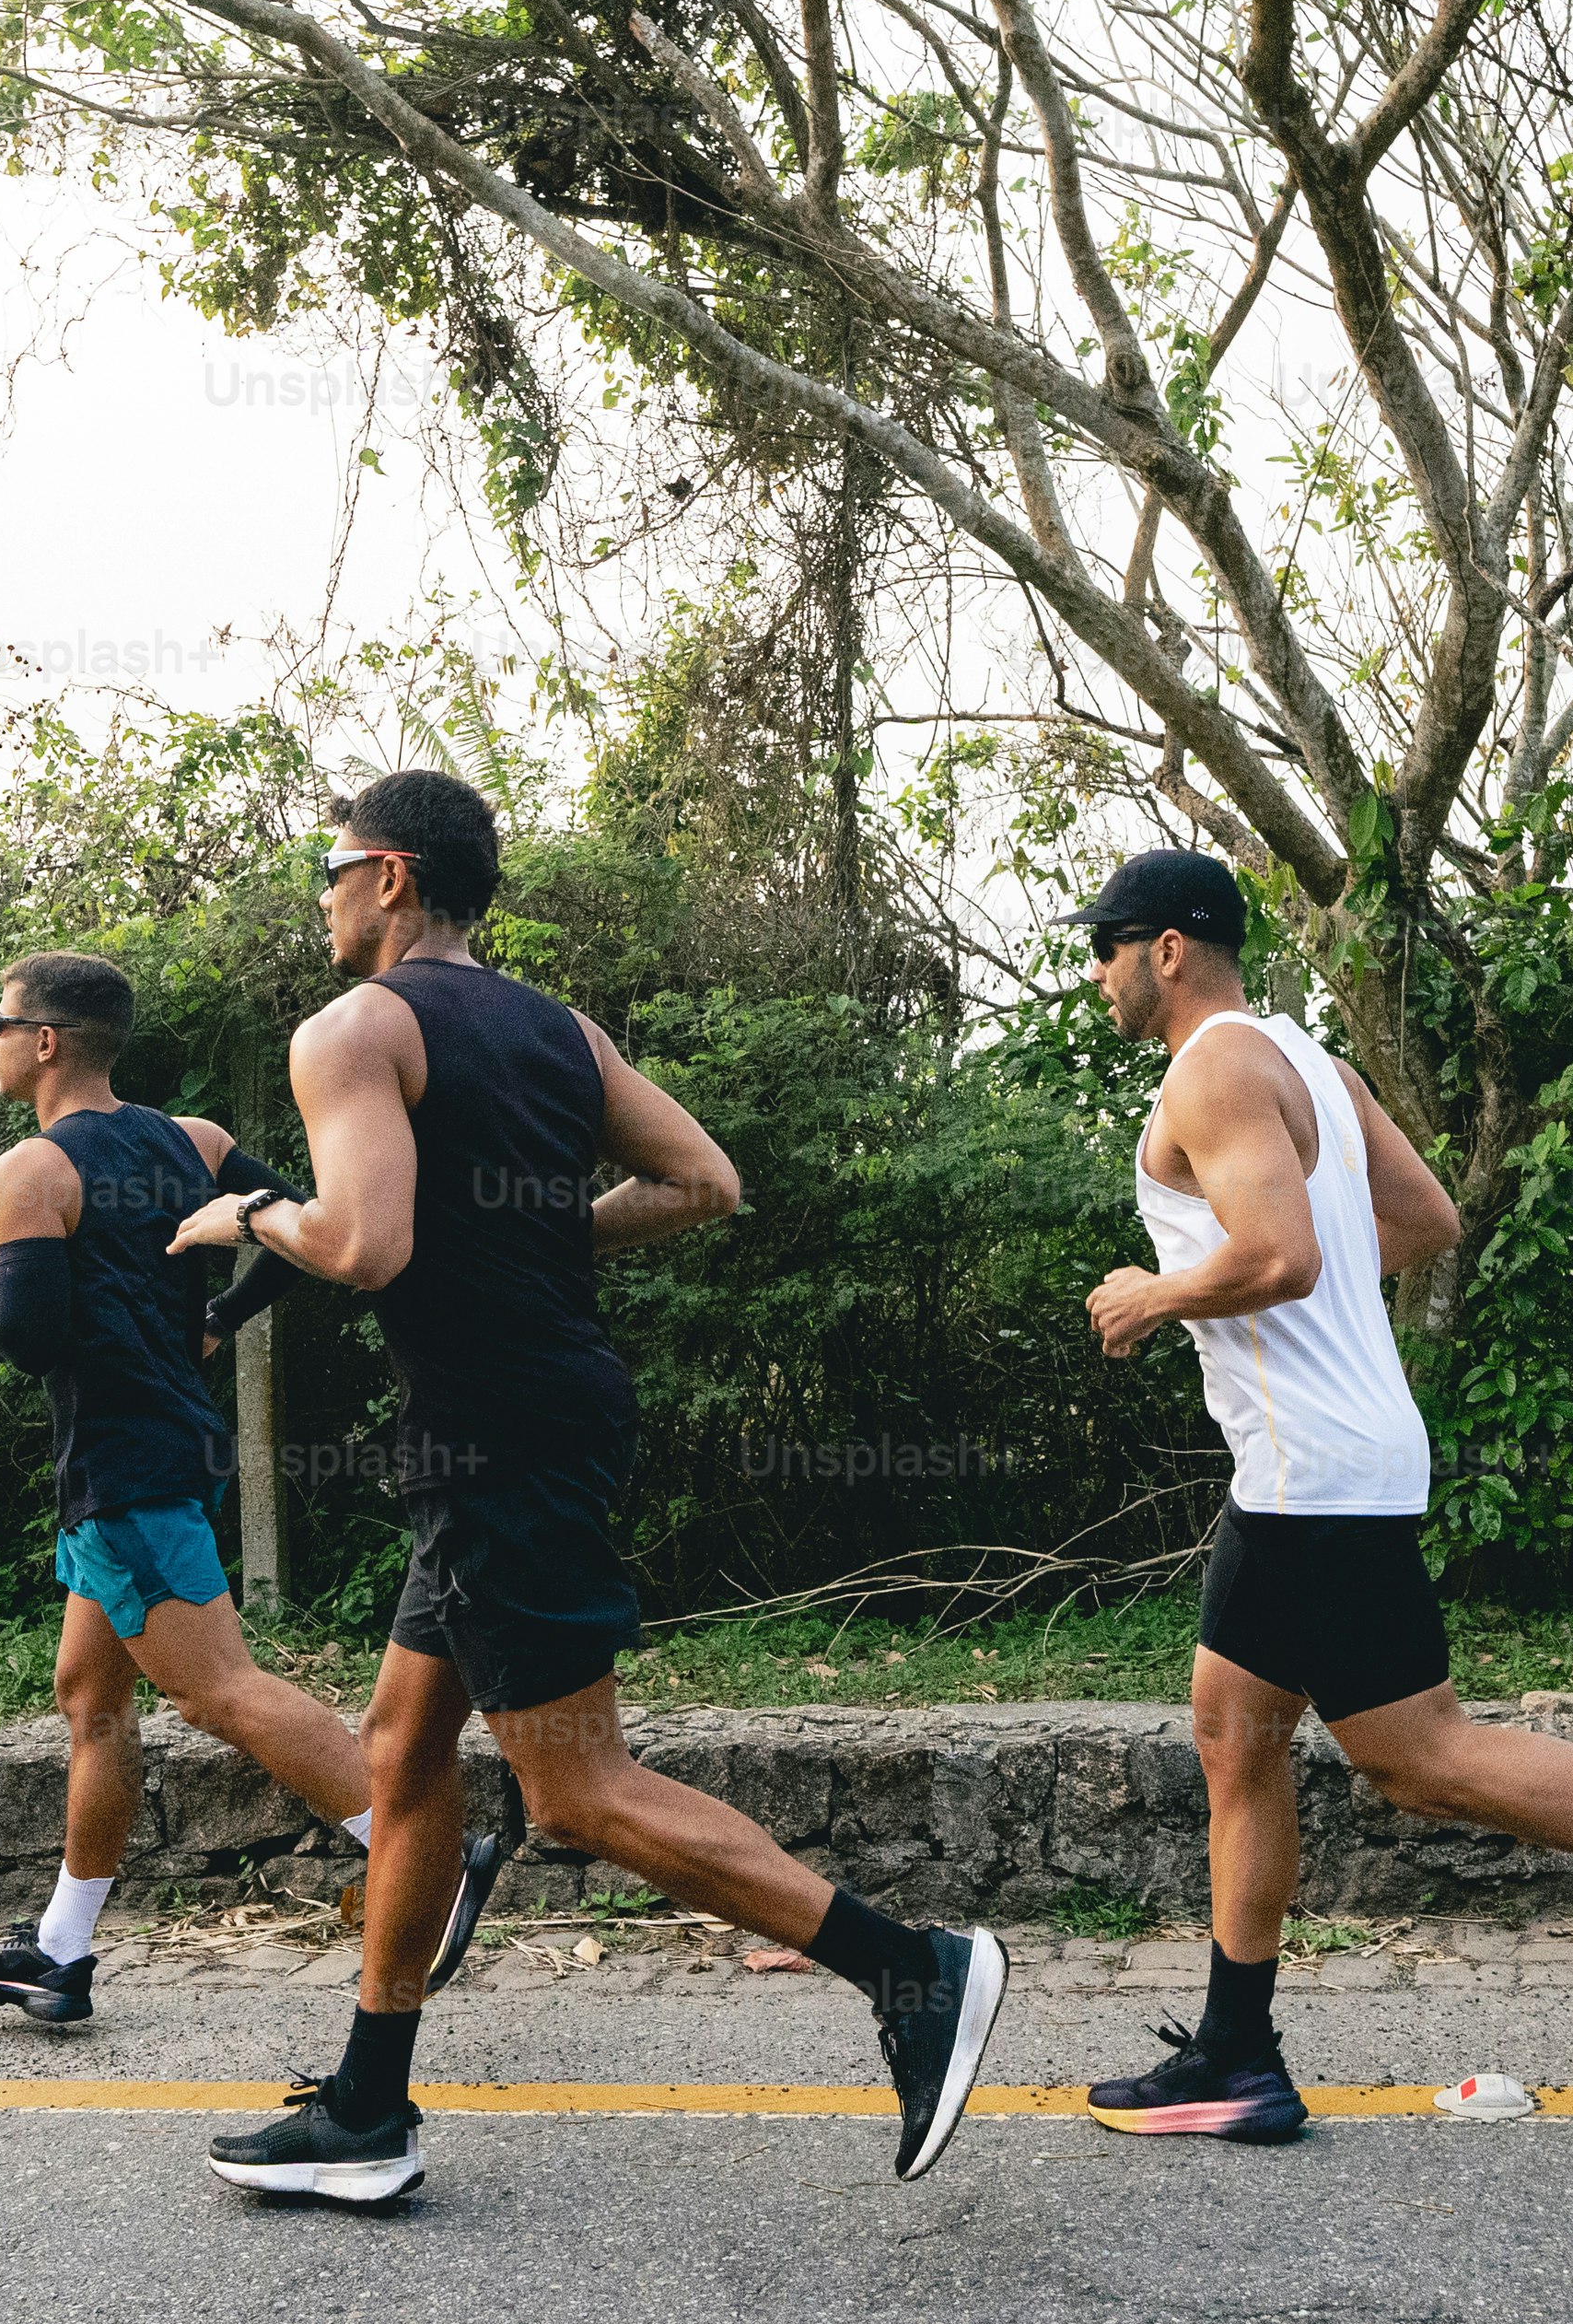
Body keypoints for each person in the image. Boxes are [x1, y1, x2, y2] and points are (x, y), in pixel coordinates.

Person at [185, 773, 1009, 2208]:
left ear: (388, 875)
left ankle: (913, 1967)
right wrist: (534, 1235)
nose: (319, 894)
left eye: (332, 868)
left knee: (576, 1789)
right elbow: (704, 1180)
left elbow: (363, 1244)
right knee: (399, 1745)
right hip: (524, 1418)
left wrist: (248, 1210)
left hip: (498, 1435)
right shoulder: (556, 1028)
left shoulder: (354, 1030)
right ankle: (371, 2104)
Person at [1066, 849, 1573, 2146]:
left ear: (1169, 947)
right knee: (1233, 1724)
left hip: (1311, 1475)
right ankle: (1236, 2049)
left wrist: (1155, 1293)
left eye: (1107, 943)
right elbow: (1425, 1217)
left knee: (1420, 1760)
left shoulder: (1209, 1067)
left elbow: (1279, 1251)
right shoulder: (1312, 1059)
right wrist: (1309, 1307)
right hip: (1328, 1460)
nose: (1095, 969)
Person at [0, 950, 510, 2026]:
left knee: (216, 1690)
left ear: (48, 1040)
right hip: (160, 1451)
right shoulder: (190, 1142)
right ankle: (60, 1953)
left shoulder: (31, 1172)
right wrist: (217, 1319)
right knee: (90, 1696)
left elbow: (26, 1335)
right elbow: (297, 1221)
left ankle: (423, 1863)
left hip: (123, 1468)